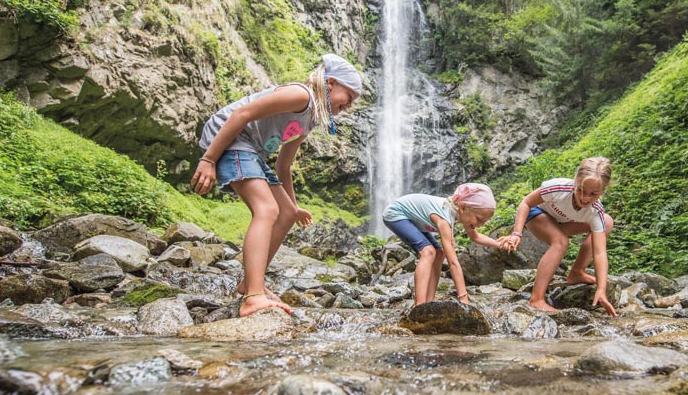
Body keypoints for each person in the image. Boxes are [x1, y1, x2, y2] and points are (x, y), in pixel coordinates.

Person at [190, 53, 362, 317]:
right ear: (331, 84)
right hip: (232, 139)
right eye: (349, 97)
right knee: (267, 210)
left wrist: (293, 206)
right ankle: (253, 297)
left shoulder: (311, 117)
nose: (349, 105)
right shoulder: (300, 95)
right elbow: (243, 113)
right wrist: (208, 159)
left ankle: (249, 283)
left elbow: (283, 165)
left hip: (253, 151)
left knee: (286, 213)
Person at [500, 157, 617, 316]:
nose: (585, 198)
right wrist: (516, 233)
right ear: (575, 181)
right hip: (536, 215)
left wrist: (602, 289)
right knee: (561, 242)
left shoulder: (595, 210)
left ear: (603, 191)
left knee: (607, 222)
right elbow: (526, 203)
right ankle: (536, 300)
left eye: (593, 194)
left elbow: (599, 252)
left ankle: (577, 272)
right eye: (581, 190)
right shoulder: (558, 188)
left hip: (562, 222)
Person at [383, 183, 503, 306]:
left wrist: (499, 244)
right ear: (462, 207)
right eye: (479, 219)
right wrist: (463, 297)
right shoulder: (444, 219)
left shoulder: (460, 213)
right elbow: (453, 263)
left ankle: (429, 301)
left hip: (415, 220)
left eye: (484, 221)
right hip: (396, 214)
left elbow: (476, 236)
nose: (481, 224)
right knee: (428, 252)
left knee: (439, 253)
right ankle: (419, 305)